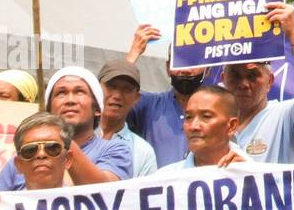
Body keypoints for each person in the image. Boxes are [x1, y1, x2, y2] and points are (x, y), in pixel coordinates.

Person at [222, 1, 294, 163]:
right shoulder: (213, 122)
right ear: (223, 79)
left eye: (252, 76)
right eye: (235, 75)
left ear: (270, 81)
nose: (243, 84)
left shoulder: (283, 116)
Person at [0, 68, 130, 190]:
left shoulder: (115, 150)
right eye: (61, 93)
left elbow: (106, 193)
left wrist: (61, 134)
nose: (70, 100)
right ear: (49, 108)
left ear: (97, 109)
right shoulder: (27, 155)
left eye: (79, 92)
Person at [124, 23, 208, 167]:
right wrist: (133, 54)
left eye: (193, 62)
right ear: (167, 67)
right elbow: (108, 103)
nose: (185, 70)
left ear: (208, 69)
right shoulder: (147, 105)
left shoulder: (222, 108)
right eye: (178, 61)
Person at [0, 114, 76, 210]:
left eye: (52, 148)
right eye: (30, 150)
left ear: (67, 159)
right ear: (19, 164)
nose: (41, 154)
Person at [155, 86, 248, 174]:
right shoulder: (164, 179)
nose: (193, 126)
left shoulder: (253, 173)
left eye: (206, 117)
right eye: (188, 117)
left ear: (232, 126)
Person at [97, 61, 157, 178]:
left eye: (127, 89)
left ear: (137, 98)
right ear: (97, 88)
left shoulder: (143, 152)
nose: (117, 95)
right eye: (111, 86)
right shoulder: (77, 135)